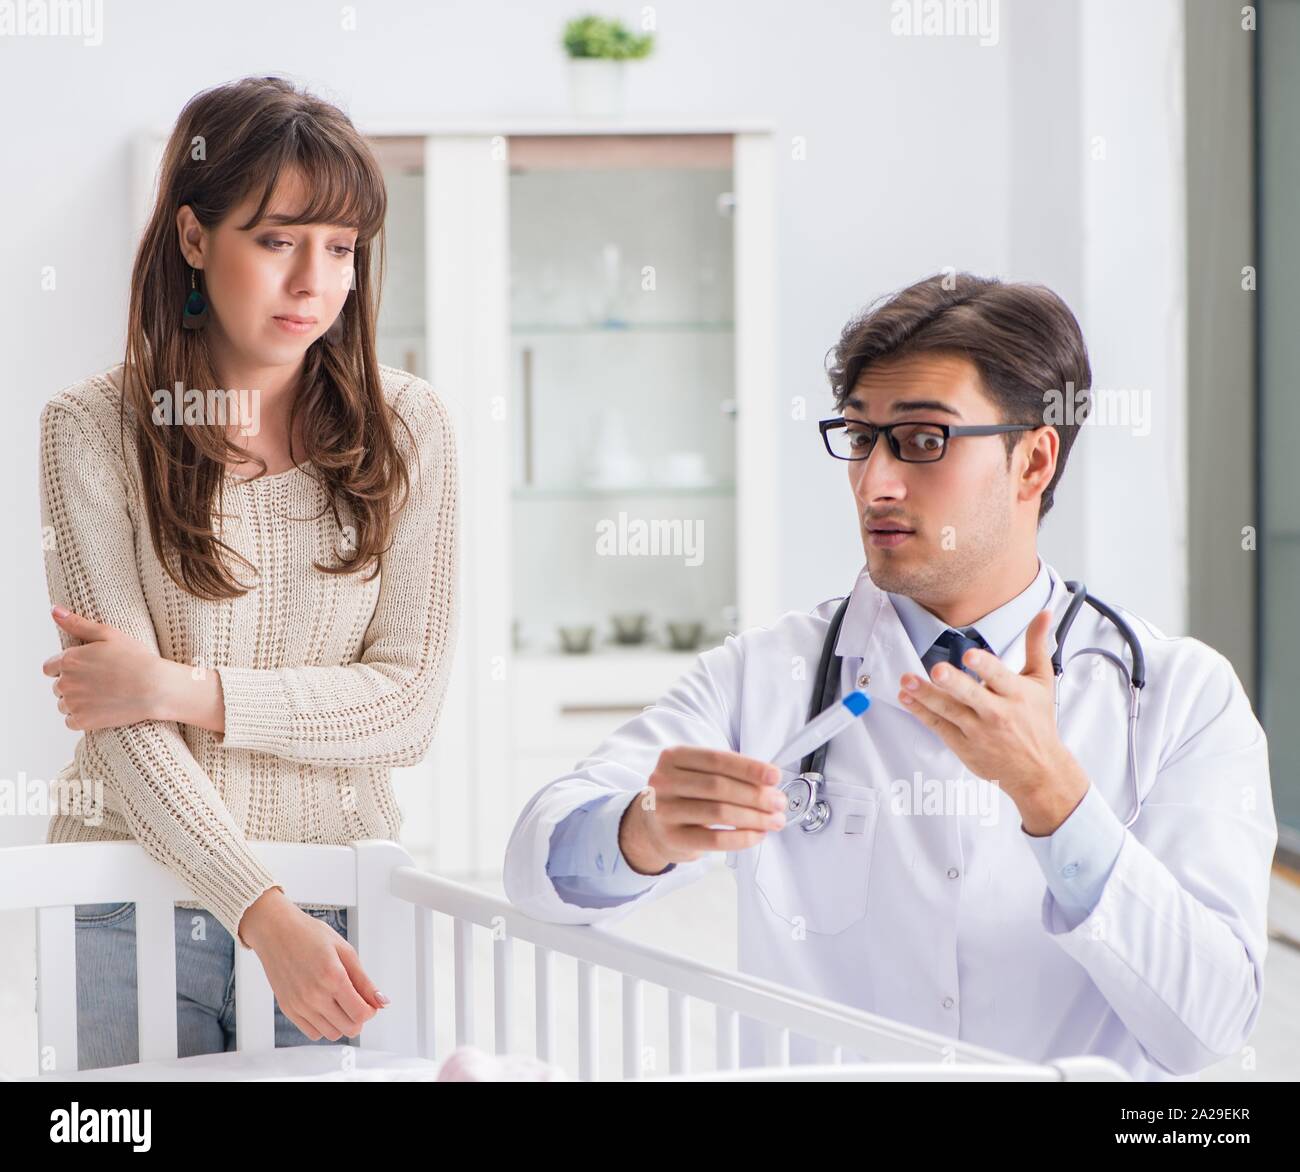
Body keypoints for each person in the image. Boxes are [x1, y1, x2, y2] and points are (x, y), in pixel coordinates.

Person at [503, 272, 1277, 1080]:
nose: (875, 481)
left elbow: (1211, 1030)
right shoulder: (764, 674)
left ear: (1033, 460)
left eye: (923, 440)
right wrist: (644, 829)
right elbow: (535, 866)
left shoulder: (1181, 697)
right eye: (861, 436)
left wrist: (1056, 799)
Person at [38, 75, 459, 1068]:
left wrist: (184, 687)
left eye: (342, 248)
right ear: (193, 238)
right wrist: (262, 913)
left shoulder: (410, 427)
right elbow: (124, 728)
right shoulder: (93, 430)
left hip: (340, 886)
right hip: (124, 895)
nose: (314, 280)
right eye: (276, 240)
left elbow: (407, 704)